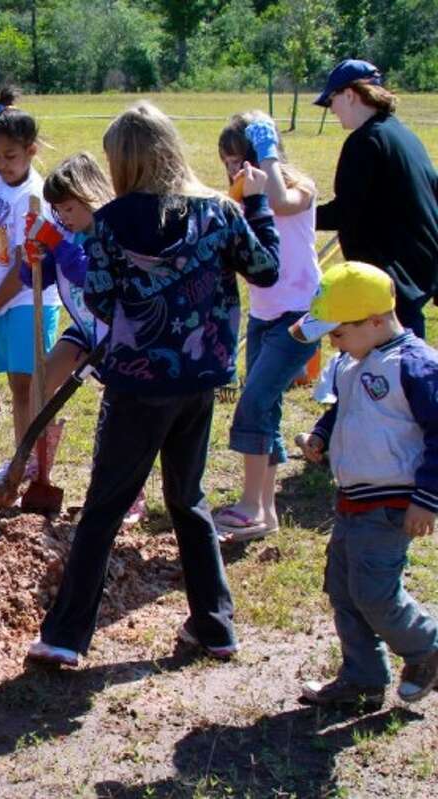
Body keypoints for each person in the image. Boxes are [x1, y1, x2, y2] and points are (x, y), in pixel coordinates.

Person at [26, 102, 280, 668]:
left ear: (124, 162)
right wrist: (256, 202)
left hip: (138, 382)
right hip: (199, 377)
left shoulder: (112, 222)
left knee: (104, 508)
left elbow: (99, 298)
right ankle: (215, 628)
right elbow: (265, 269)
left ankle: (65, 637)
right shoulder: (219, 212)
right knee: (187, 499)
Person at [295, 261, 438, 708]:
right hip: (352, 500)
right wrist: (321, 434)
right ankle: (362, 678)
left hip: (393, 502)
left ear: (375, 322)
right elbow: (345, 411)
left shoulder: (415, 366)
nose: (332, 343)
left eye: (338, 333)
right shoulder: (351, 362)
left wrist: (427, 500)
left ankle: (427, 647)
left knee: (375, 593)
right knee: (344, 591)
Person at [212, 111, 321, 541]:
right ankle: (265, 513)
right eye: (228, 163)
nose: (235, 171)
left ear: (263, 155)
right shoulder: (241, 199)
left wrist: (269, 159)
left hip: (300, 316)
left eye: (240, 160)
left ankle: (249, 504)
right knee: (267, 410)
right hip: (262, 314)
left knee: (254, 403)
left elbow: (280, 204)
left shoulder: (300, 187)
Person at [21, 151, 146, 526]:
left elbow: (85, 274)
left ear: (91, 195)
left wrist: (56, 247)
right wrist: (34, 258)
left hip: (119, 338)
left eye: (69, 208)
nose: (63, 218)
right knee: (42, 379)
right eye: (57, 210)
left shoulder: (111, 232)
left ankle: (130, 495)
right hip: (86, 329)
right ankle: (36, 465)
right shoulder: (67, 232)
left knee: (119, 421)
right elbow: (37, 281)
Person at [0, 103, 59, 492]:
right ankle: (23, 458)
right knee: (17, 387)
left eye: (12, 156)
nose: (3, 165)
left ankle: (29, 464)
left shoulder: (35, 197)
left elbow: (25, 269)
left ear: (32, 151)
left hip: (25, 301)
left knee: (30, 387)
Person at [313, 59, 438, 340]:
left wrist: (294, 217)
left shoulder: (365, 142)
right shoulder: (403, 134)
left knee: (397, 363)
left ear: (350, 95)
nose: (331, 110)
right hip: (417, 271)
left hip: (391, 277)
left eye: (331, 100)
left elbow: (344, 212)